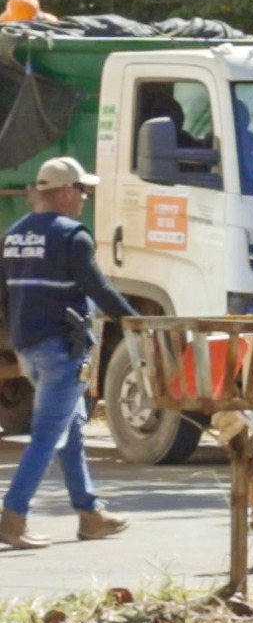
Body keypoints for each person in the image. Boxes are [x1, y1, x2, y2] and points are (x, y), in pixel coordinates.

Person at [0, 157, 138, 550]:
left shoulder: (13, 234)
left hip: (29, 350)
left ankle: (90, 515)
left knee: (72, 429)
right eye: (82, 190)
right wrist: (137, 323)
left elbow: (5, 296)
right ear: (64, 191)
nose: (84, 198)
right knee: (48, 437)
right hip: (61, 351)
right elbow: (100, 290)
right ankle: (12, 517)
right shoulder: (72, 236)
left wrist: (19, 342)